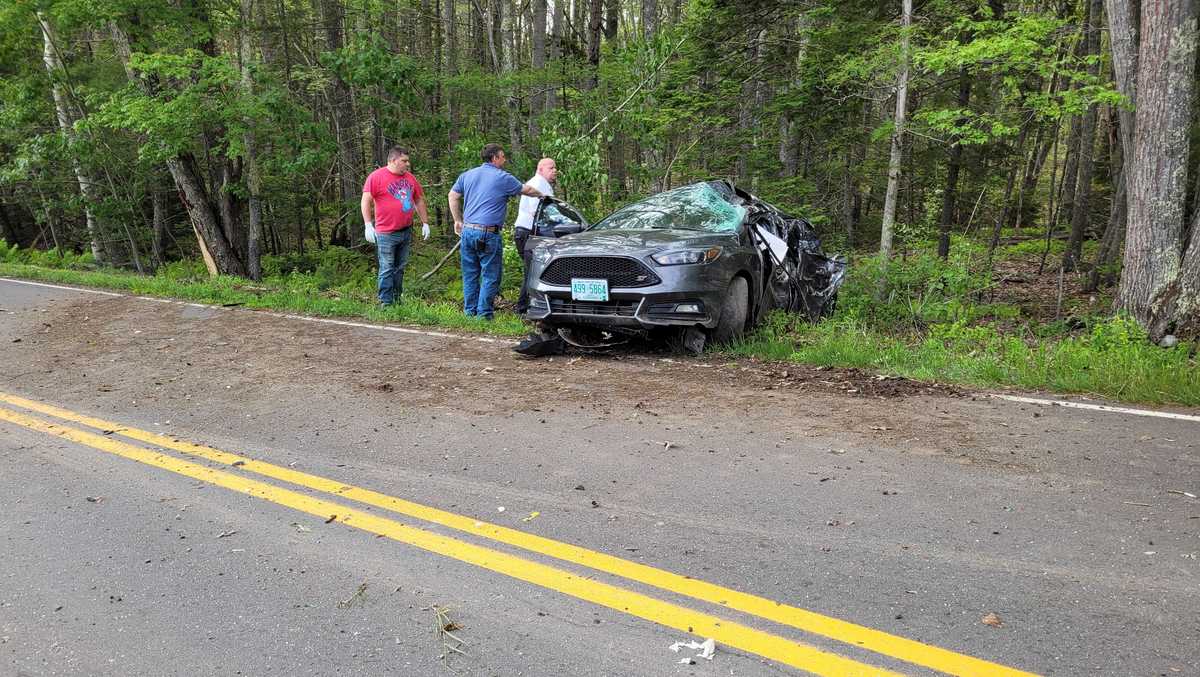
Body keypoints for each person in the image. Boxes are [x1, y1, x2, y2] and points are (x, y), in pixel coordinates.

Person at [447, 144, 544, 319]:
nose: (504, 160)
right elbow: (527, 190)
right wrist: (543, 195)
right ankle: (484, 314)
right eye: (502, 156)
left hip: (468, 231)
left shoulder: (467, 175)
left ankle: (470, 314)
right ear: (494, 158)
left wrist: (457, 220)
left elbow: (452, 195)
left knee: (470, 274)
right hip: (487, 233)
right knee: (491, 275)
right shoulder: (502, 177)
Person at [362, 146, 430, 305]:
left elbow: (418, 199)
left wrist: (425, 222)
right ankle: (385, 303)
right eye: (404, 161)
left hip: (405, 230)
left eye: (408, 161)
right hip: (386, 232)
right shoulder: (376, 177)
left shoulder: (410, 178)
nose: (407, 164)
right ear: (393, 160)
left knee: (400, 268)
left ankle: (397, 300)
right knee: (387, 267)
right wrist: (368, 224)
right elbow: (366, 200)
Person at [512, 157, 558, 314]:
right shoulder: (538, 184)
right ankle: (523, 308)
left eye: (555, 168)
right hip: (529, 233)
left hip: (529, 232)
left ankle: (528, 307)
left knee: (533, 271)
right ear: (540, 169)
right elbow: (537, 213)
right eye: (551, 168)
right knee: (533, 271)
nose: (555, 171)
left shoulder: (542, 184)